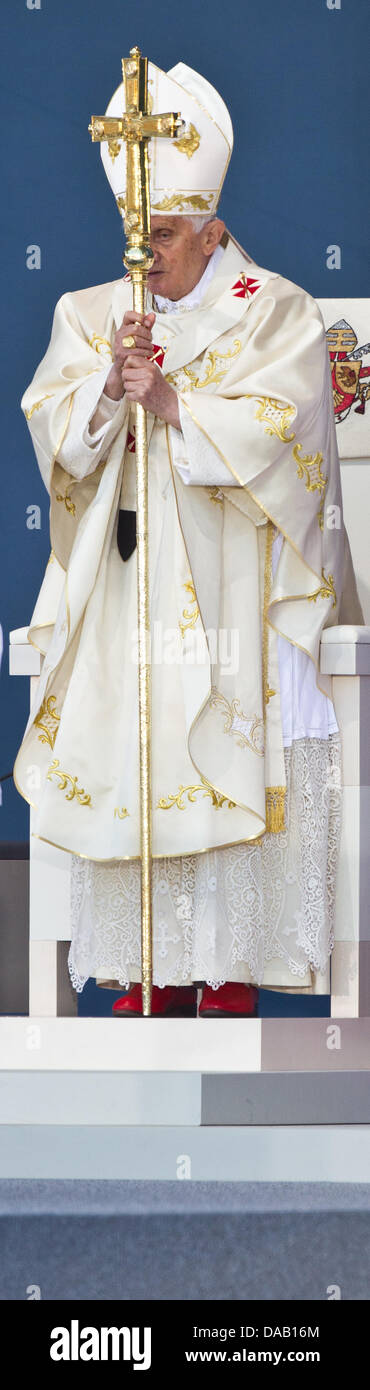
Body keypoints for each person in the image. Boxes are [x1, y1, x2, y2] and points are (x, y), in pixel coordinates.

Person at [14, 60, 363, 1018]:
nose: (146, 254)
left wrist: (171, 402)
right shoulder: (88, 315)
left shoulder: (277, 311)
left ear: (212, 233)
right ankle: (147, 968)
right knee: (136, 745)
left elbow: (290, 436)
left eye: (163, 235)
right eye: (137, 234)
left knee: (224, 742)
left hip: (237, 591)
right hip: (129, 591)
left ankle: (226, 968)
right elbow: (57, 436)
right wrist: (103, 393)